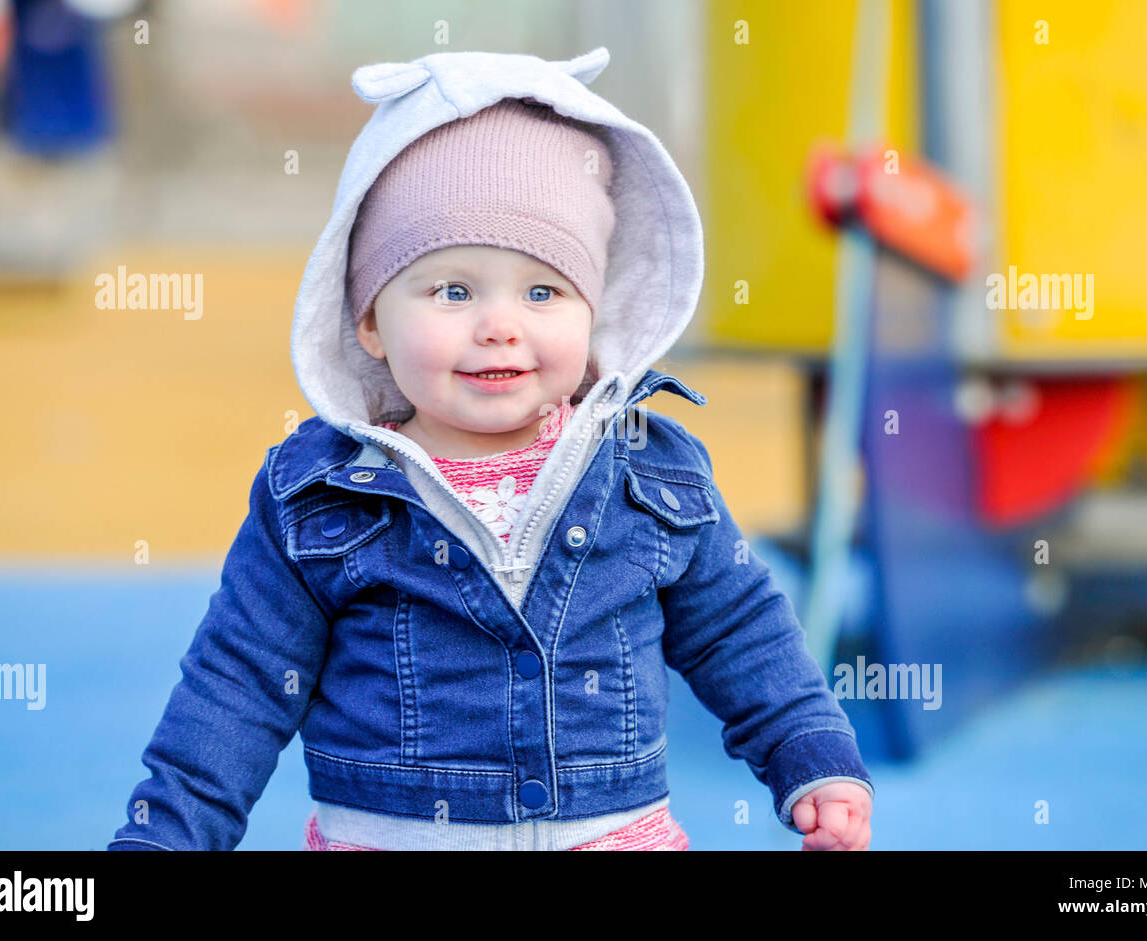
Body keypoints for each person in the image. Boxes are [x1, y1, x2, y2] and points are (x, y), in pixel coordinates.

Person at [108, 47, 873, 852]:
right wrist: (169, 834)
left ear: (592, 309)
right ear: (368, 318)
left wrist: (810, 754)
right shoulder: (320, 498)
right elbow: (240, 681)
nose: (500, 325)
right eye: (453, 291)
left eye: (543, 291)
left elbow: (738, 627)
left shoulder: (647, 469)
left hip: (611, 834)